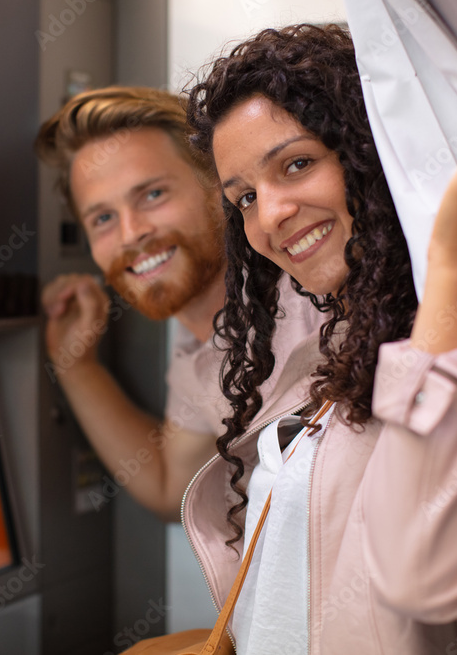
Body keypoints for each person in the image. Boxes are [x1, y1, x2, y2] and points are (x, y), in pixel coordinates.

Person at [183, 24, 457, 652]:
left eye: (297, 164)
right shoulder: (337, 348)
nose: (269, 216)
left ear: (370, 154)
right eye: (244, 198)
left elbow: (424, 578)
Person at [35, 87, 324, 520]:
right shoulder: (204, 345)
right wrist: (76, 364)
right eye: (103, 218)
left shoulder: (309, 301)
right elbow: (173, 488)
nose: (131, 233)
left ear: (217, 189)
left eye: (152, 195)